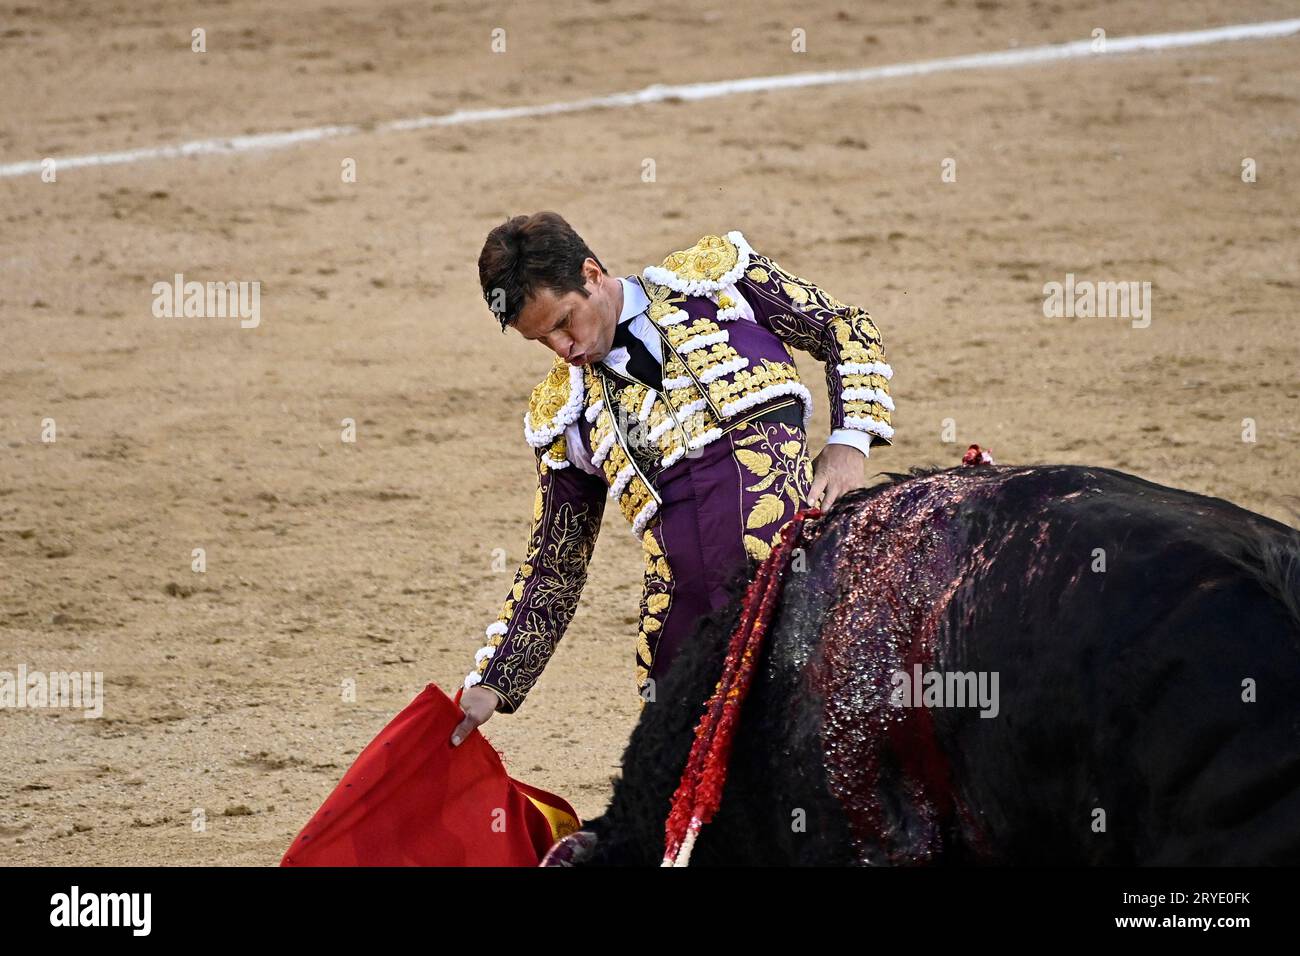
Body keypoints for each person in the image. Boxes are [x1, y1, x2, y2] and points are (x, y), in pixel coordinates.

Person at [450, 211, 894, 746]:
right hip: (686, 649)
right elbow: (557, 561)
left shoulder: (718, 284)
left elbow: (843, 328)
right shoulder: (566, 414)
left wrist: (849, 444)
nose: (564, 348)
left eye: (565, 320)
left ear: (592, 274)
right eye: (541, 339)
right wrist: (493, 682)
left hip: (803, 593)